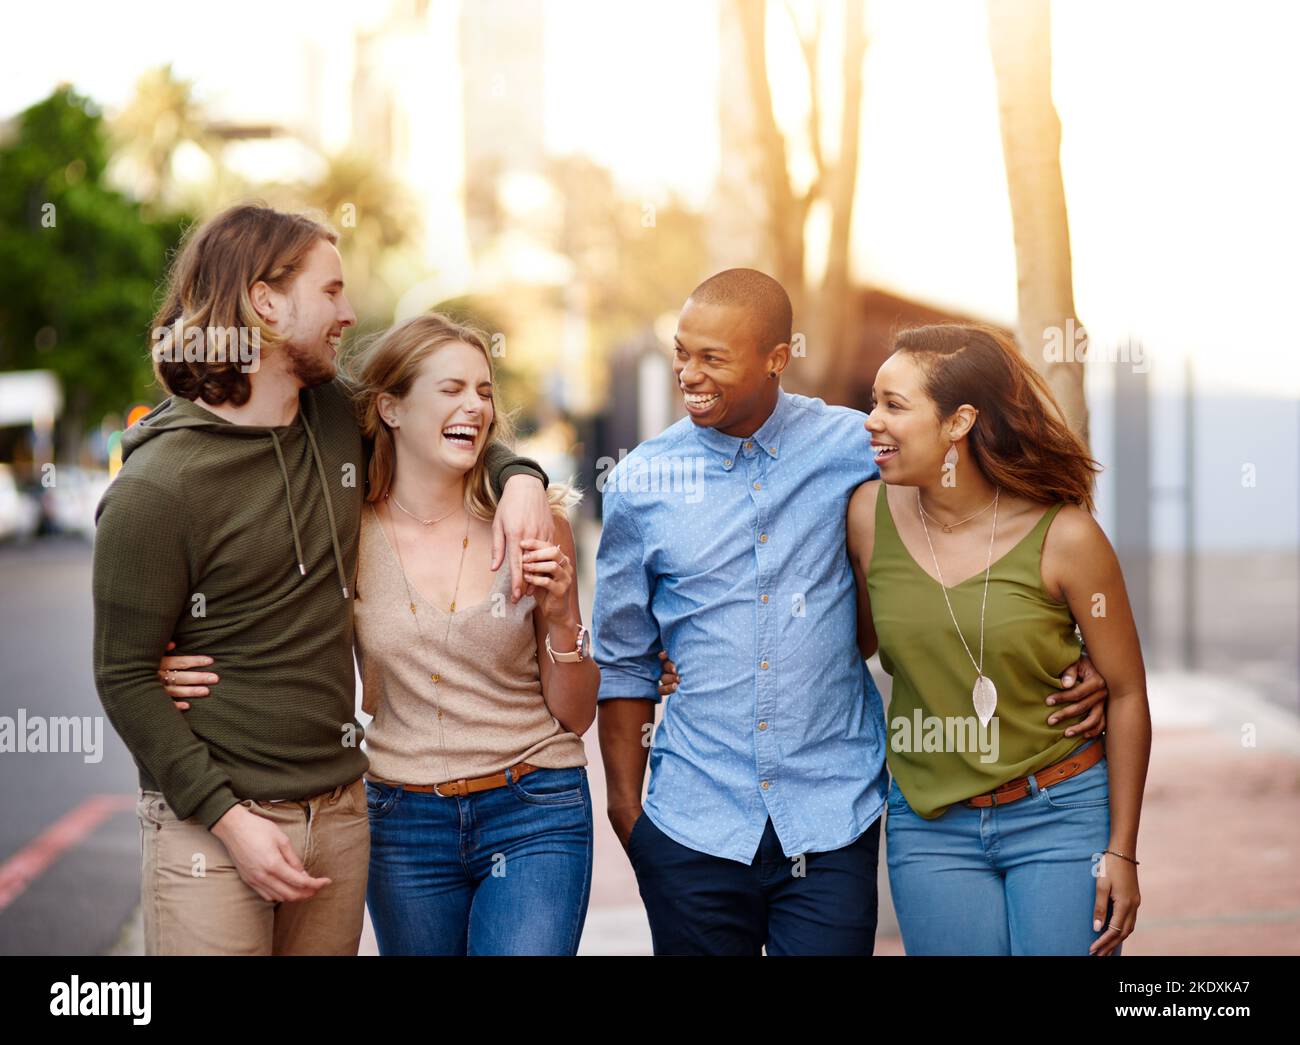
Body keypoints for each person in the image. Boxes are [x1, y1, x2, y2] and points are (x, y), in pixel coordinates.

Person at [594, 269, 1109, 955]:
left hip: (832, 815)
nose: (689, 374)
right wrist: (629, 816)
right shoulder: (641, 482)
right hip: (694, 822)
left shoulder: (855, 446)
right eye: (682, 353)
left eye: (712, 357)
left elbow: (982, 499)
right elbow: (623, 660)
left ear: (777, 358)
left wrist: (1078, 647)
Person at [97, 203, 553, 956]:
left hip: (340, 817)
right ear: (266, 302)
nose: (348, 314)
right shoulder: (156, 486)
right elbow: (123, 674)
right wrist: (229, 820)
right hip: (211, 829)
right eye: (331, 292)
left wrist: (523, 479)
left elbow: (444, 423)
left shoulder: (337, 417)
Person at [848, 323, 1150, 955]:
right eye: (874, 402)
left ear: (959, 422)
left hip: (1060, 813)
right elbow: (850, 643)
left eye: (894, 405)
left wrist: (1122, 850)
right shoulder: (866, 517)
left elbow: (1126, 694)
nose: (871, 421)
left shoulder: (1067, 537)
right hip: (930, 827)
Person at [345, 314, 599, 955]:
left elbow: (575, 715)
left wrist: (562, 615)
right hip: (403, 824)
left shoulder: (536, 524)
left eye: (484, 392)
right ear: (391, 408)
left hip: (533, 807)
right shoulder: (347, 533)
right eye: (451, 389)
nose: (475, 407)